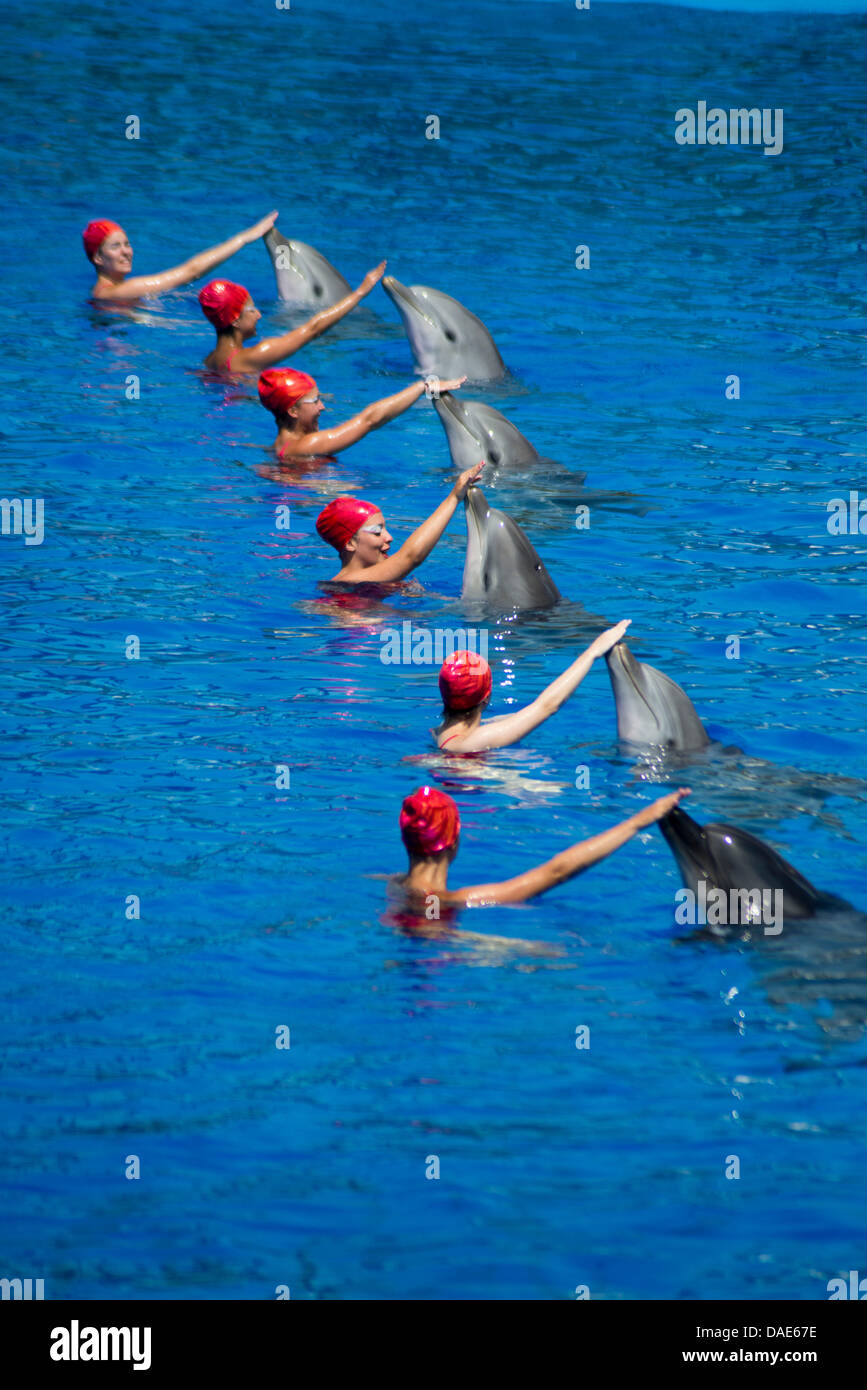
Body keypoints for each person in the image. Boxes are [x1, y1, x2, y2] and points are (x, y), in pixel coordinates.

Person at [393, 785, 691, 907]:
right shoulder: (453, 901)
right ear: (455, 841)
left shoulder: (395, 889)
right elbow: (556, 872)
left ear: (405, 838)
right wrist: (639, 821)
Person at [434, 621, 632, 752]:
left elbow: (515, 719)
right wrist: (593, 652)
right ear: (486, 697)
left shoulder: (440, 733)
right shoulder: (477, 740)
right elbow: (547, 706)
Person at [198, 263, 386, 373]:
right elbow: (313, 329)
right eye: (252, 310)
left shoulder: (210, 361)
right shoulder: (256, 354)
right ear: (235, 320)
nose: (259, 315)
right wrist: (361, 292)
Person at [315, 465, 483, 584]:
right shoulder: (348, 583)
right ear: (351, 543)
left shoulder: (379, 579)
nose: (389, 537)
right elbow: (411, 557)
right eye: (377, 532)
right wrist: (454, 497)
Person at [258, 367, 466, 461]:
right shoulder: (306, 446)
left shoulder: (280, 446)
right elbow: (370, 420)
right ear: (293, 411)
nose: (322, 407)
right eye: (315, 401)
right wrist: (423, 387)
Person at [82, 211, 279, 301]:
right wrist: (243, 238)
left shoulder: (104, 291)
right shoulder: (119, 291)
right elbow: (190, 272)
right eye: (115, 246)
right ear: (98, 258)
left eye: (127, 244)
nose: (126, 251)